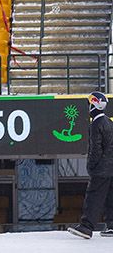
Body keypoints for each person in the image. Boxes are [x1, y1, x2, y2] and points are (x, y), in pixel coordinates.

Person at [70, 92, 113, 238]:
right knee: (110, 197)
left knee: (94, 197)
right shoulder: (109, 121)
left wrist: (91, 166)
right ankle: (112, 226)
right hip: (111, 167)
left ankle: (86, 227)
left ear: (93, 105)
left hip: (101, 169)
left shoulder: (96, 123)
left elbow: (96, 148)